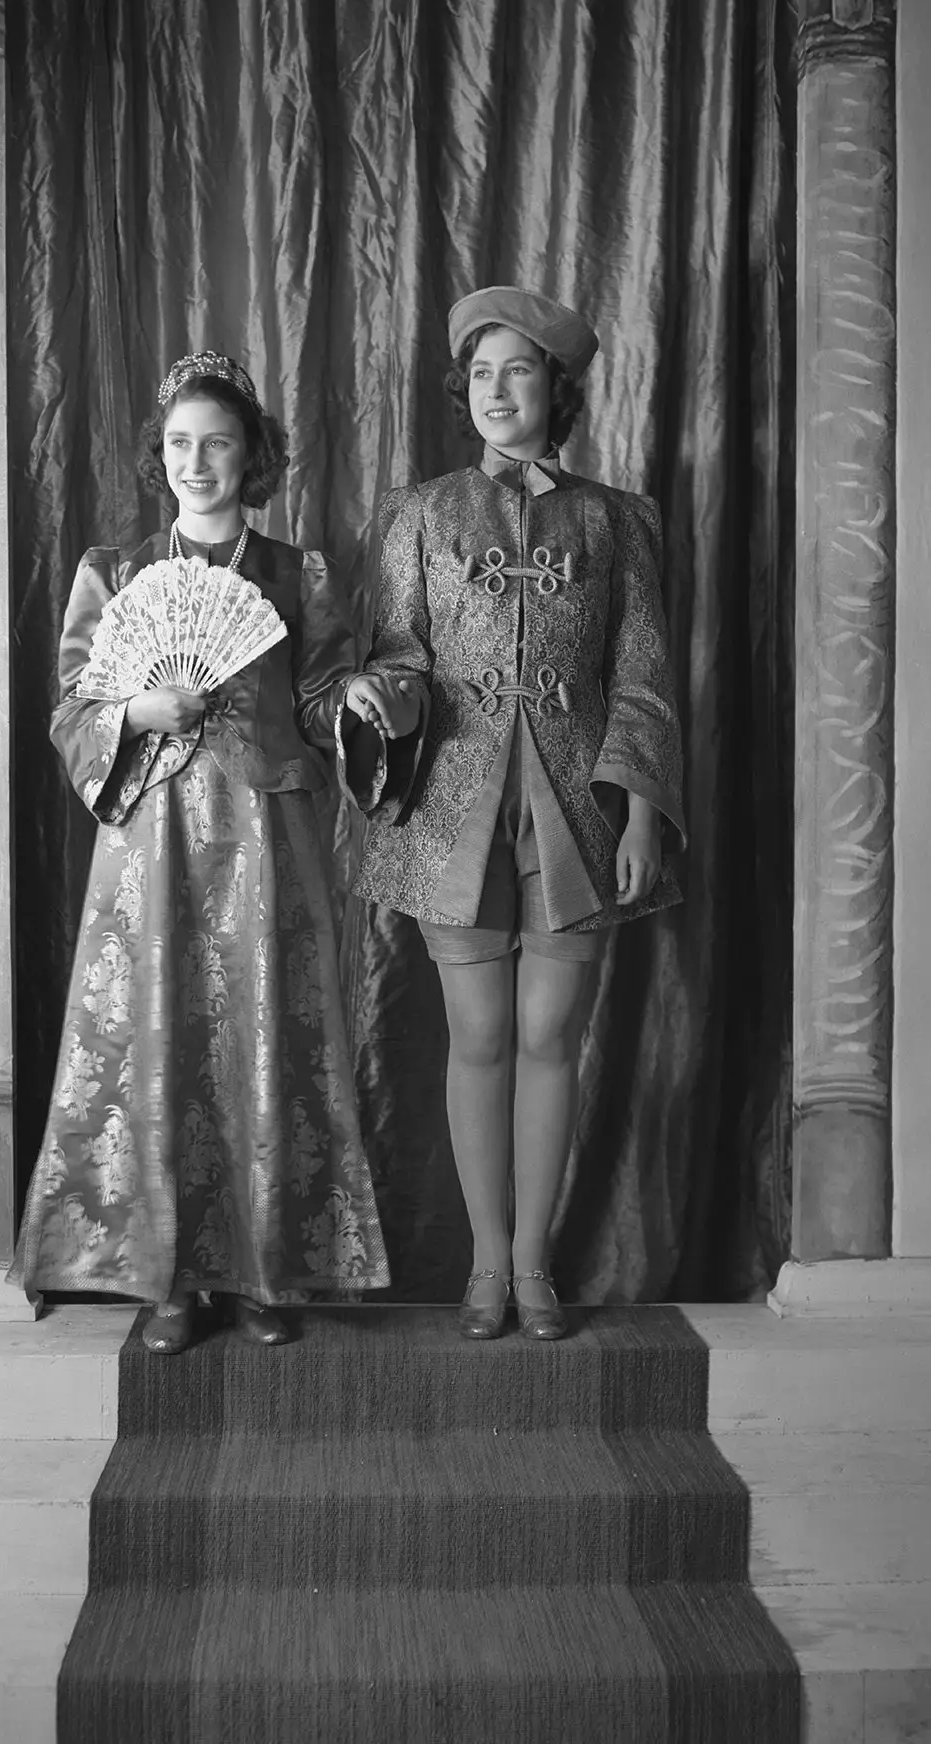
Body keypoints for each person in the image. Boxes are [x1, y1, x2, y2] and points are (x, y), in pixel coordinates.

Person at [10, 352, 403, 1352]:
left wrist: (354, 700)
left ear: (252, 456)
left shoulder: (300, 572)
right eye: (179, 443)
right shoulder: (112, 572)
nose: (196, 461)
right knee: (161, 1037)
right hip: (148, 845)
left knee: (264, 1036)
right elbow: (71, 712)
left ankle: (268, 1271)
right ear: (160, 455)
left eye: (216, 443)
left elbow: (317, 701)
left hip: (266, 839)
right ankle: (166, 1279)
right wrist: (136, 708)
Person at [343, 287, 685, 1342]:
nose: (498, 391)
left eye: (519, 371)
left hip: (575, 812)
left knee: (549, 1033)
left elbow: (642, 680)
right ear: (463, 390)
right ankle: (485, 1265)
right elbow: (393, 647)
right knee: (480, 1031)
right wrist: (380, 690)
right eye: (481, 373)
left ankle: (534, 1265)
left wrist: (638, 813)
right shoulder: (415, 513)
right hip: (451, 807)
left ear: (557, 389)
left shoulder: (617, 520)